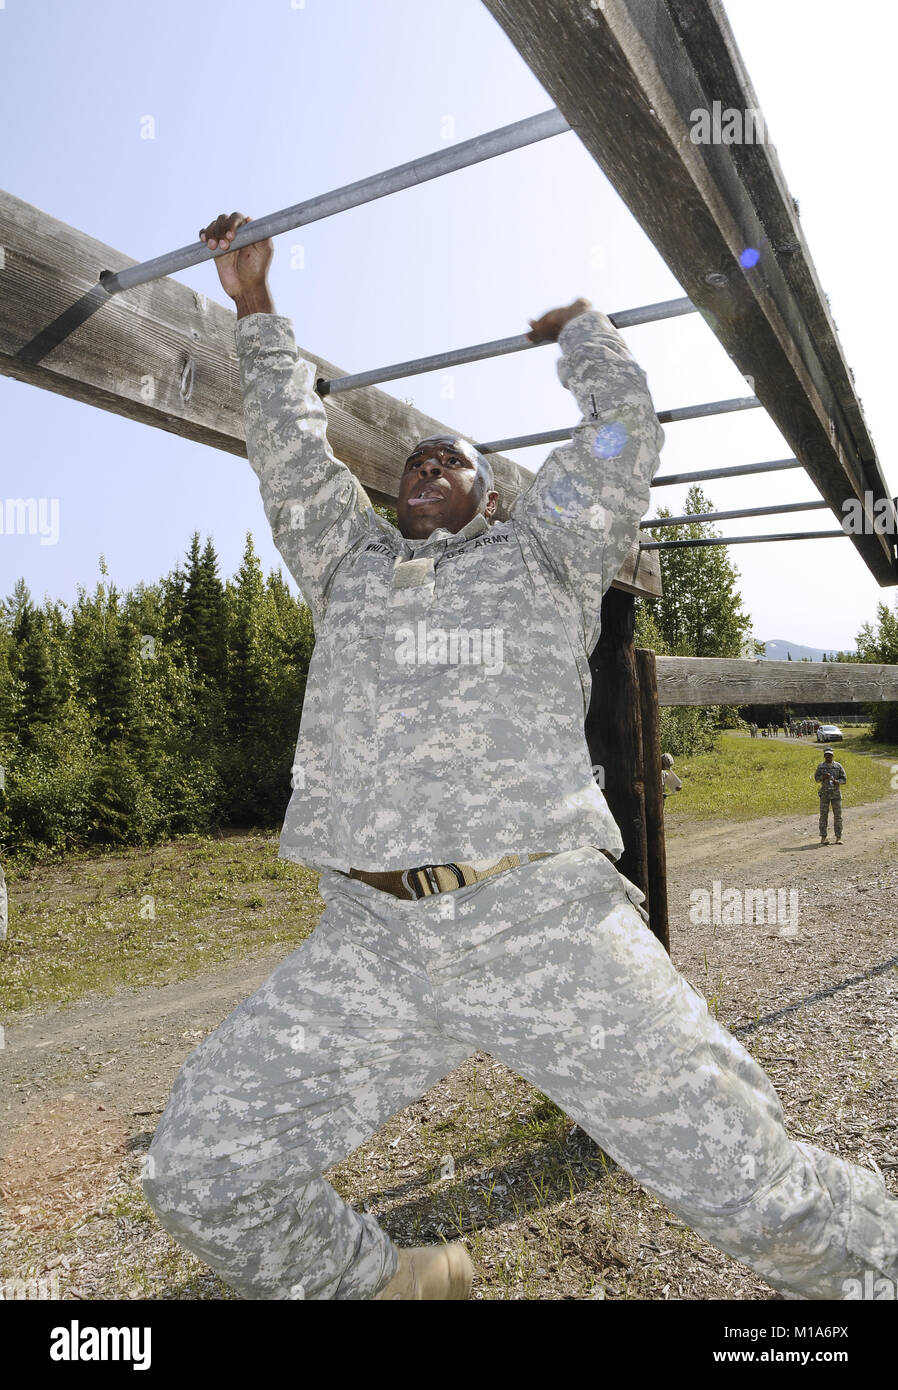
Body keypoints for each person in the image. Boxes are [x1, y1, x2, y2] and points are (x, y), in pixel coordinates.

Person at [141, 210, 898, 1303]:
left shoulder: (542, 552)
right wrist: (254, 306)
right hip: (372, 943)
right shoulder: (348, 569)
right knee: (201, 1174)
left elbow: (623, 432)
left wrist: (582, 333)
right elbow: (288, 450)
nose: (429, 458)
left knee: (756, 1189)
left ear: (494, 496)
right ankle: (407, 1287)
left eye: (453, 455)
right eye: (413, 457)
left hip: (544, 926)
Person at [815, 747, 846, 845]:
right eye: (827, 755)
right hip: (824, 795)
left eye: (830, 755)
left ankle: (838, 837)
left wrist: (837, 781)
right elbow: (816, 779)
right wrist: (823, 777)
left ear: (833, 755)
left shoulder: (838, 766)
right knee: (823, 816)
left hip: (836, 795)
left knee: (838, 816)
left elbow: (844, 779)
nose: (828, 757)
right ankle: (823, 838)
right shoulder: (821, 767)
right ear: (824, 756)